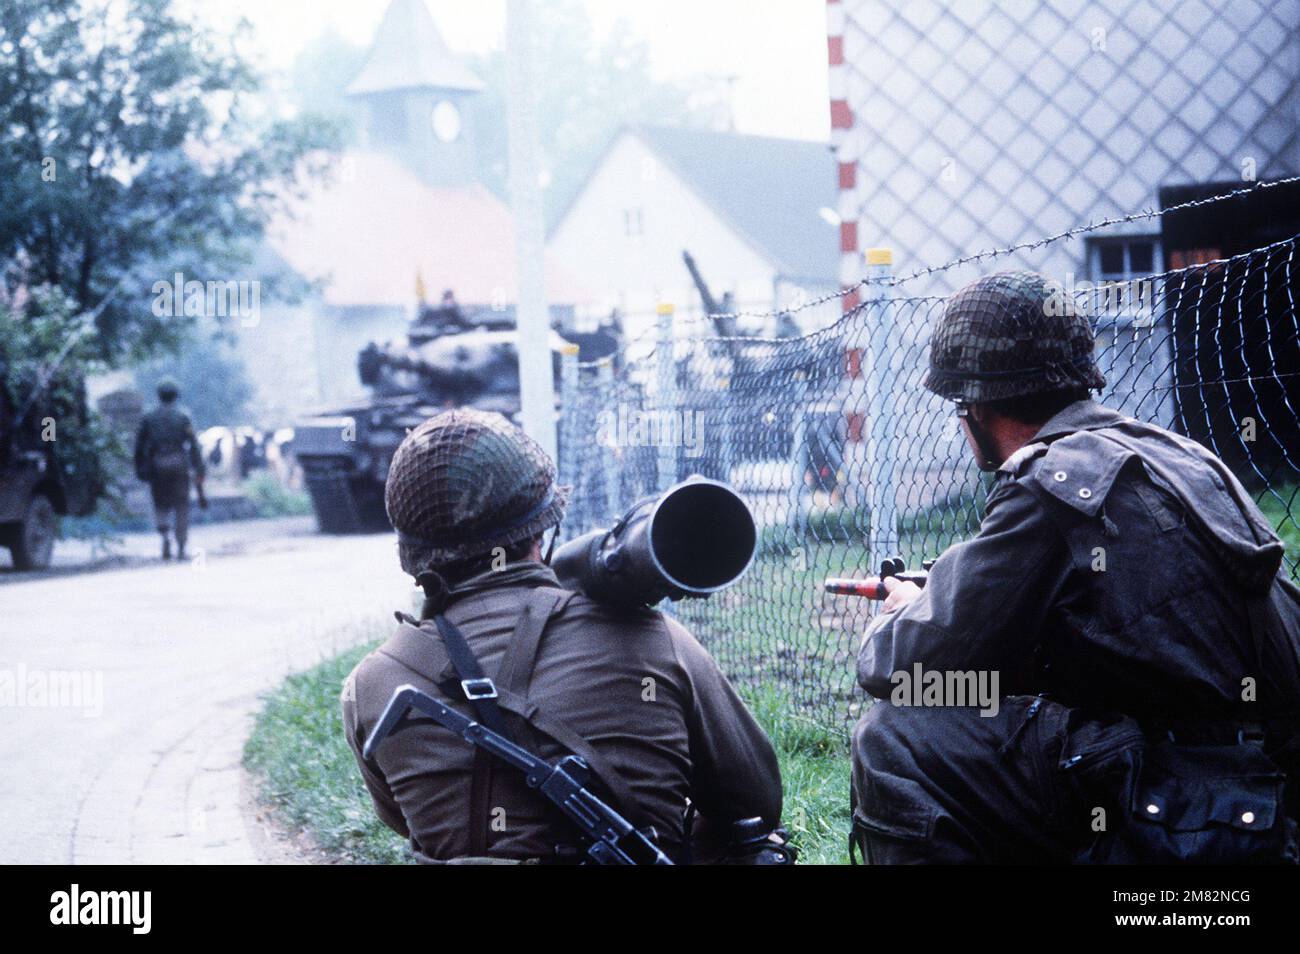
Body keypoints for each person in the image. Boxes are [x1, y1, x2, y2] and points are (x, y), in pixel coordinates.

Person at [852, 271, 1300, 864]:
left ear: (975, 408)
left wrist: (907, 610)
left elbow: (901, 667)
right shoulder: (1182, 457)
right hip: (1267, 789)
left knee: (895, 735)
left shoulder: (1049, 484)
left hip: (1190, 810)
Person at [341, 408, 783, 863]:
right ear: (542, 529)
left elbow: (403, 820)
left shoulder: (373, 685)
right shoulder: (660, 642)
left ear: (413, 557)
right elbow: (756, 804)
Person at [133, 378, 204, 560]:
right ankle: (180, 548)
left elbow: (139, 447)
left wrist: (140, 468)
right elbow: (194, 446)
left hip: (157, 464)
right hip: (179, 463)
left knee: (160, 503)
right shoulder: (183, 418)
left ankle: (164, 535)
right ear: (175, 396)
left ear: (159, 396)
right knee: (181, 505)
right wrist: (199, 469)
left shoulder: (149, 418)